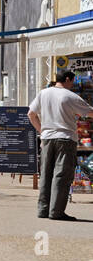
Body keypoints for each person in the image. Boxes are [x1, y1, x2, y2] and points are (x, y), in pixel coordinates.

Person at [29, 71, 93, 220]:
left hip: (47, 139)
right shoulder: (70, 96)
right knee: (62, 176)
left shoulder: (43, 93)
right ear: (67, 79)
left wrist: (42, 131)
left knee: (46, 174)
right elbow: (90, 112)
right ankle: (56, 212)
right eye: (72, 81)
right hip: (65, 139)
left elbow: (31, 114)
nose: (73, 84)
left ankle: (43, 210)